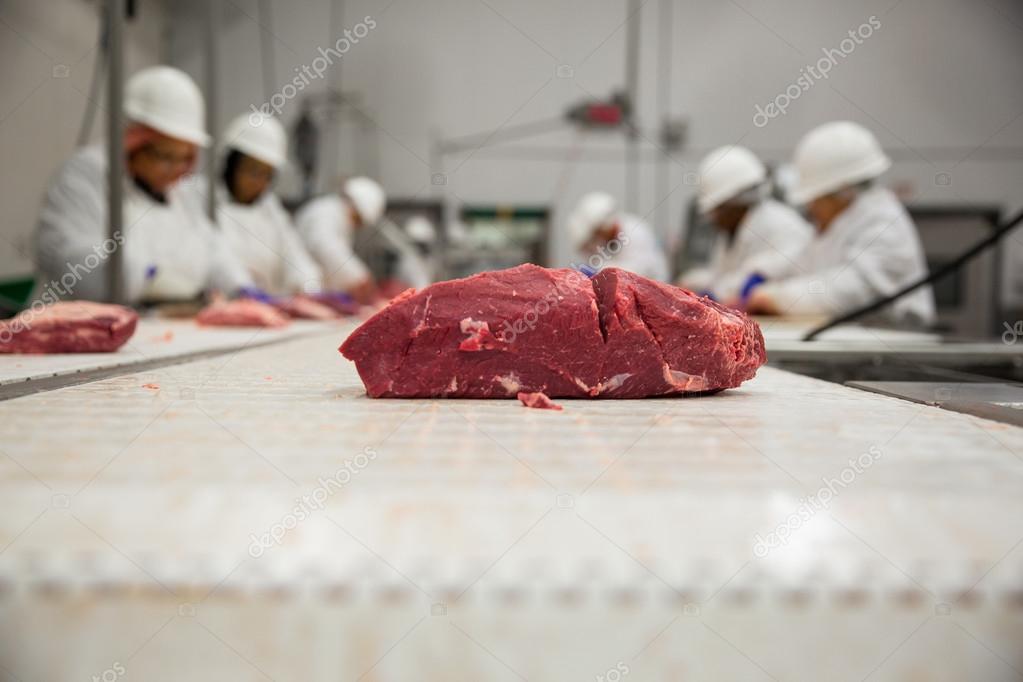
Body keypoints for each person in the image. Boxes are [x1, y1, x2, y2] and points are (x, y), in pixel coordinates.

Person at [35, 66, 252, 303]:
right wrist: (151, 279)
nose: (176, 169)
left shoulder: (180, 191)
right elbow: (75, 261)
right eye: (165, 156)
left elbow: (213, 250)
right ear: (132, 141)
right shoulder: (86, 174)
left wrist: (240, 287)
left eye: (185, 158)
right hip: (80, 327)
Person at [745, 122, 935, 328]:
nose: (811, 206)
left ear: (841, 191)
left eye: (815, 198)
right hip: (850, 344)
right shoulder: (838, 222)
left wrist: (776, 297)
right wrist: (761, 274)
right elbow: (798, 261)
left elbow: (849, 291)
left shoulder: (884, 222)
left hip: (895, 347)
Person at [679, 145, 813, 304]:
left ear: (732, 204)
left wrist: (713, 294)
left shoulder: (782, 225)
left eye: (716, 211)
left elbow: (760, 275)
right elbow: (721, 276)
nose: (713, 219)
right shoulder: (731, 231)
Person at [217, 114, 322, 296]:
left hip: (268, 314)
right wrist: (242, 288)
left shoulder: (269, 207)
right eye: (253, 170)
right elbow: (217, 257)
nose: (259, 182)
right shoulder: (205, 200)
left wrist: (309, 287)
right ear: (231, 164)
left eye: (267, 175)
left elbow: (294, 254)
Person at [295, 177, 385, 304]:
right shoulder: (325, 212)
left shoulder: (337, 215)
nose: (357, 226)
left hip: (314, 290)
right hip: (302, 287)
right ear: (356, 208)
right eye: (358, 220)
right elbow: (326, 248)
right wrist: (360, 276)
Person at [567, 192, 669, 281]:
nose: (598, 238)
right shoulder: (607, 242)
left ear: (604, 226)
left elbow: (640, 270)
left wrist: (599, 270)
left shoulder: (635, 231)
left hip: (653, 291)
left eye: (598, 232)